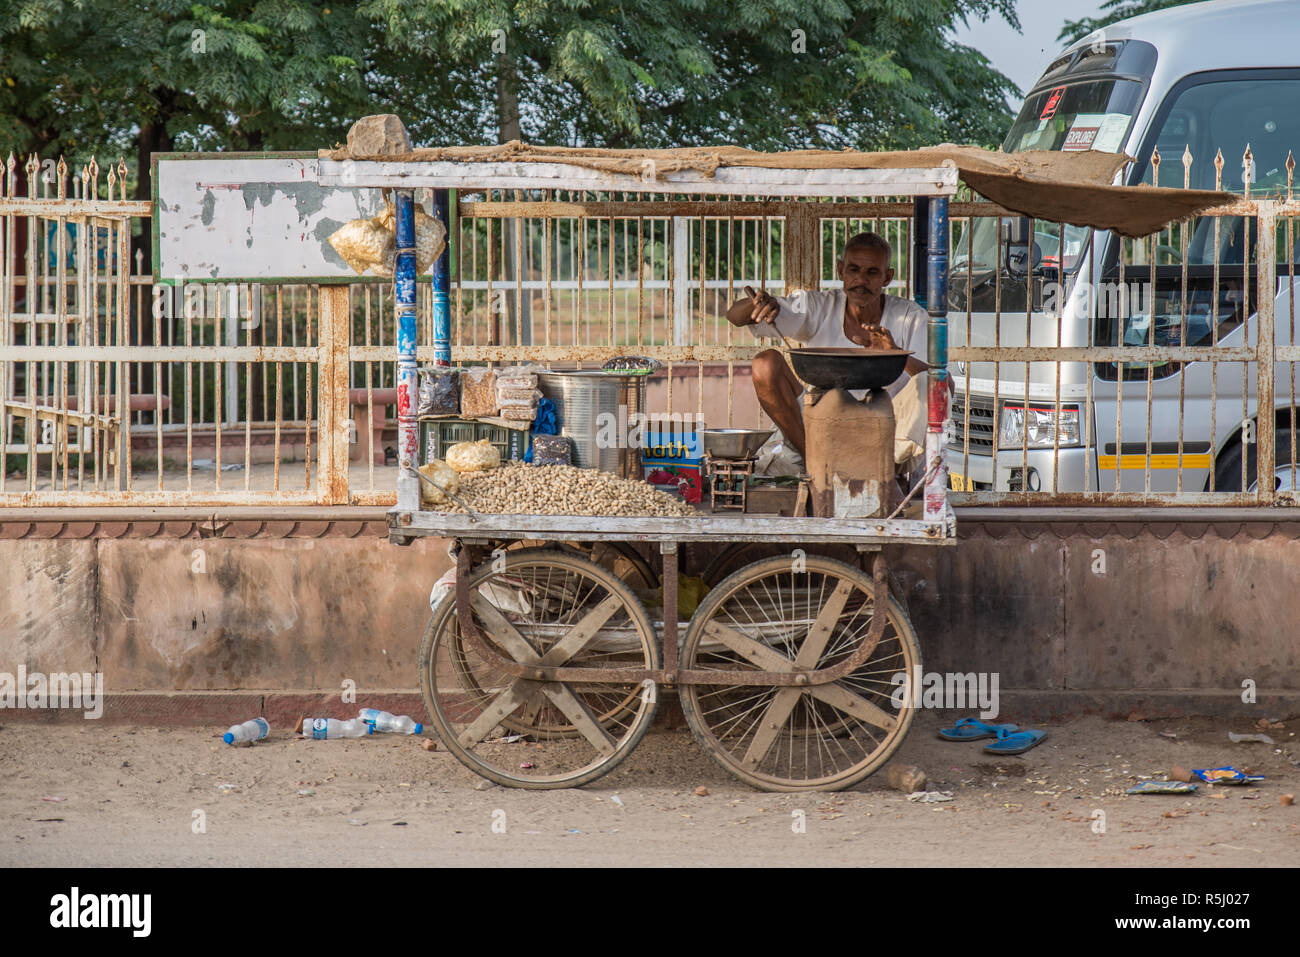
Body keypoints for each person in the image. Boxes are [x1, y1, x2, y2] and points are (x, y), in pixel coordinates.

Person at [725, 231, 935, 470]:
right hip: (818, 426)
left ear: (887, 278)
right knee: (765, 363)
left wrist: (896, 354)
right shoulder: (818, 306)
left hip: (884, 433)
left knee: (930, 381)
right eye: (853, 270)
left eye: (872, 272)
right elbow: (734, 316)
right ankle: (815, 465)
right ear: (840, 271)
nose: (861, 280)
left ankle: (879, 469)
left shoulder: (911, 317)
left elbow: (942, 385)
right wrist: (758, 304)